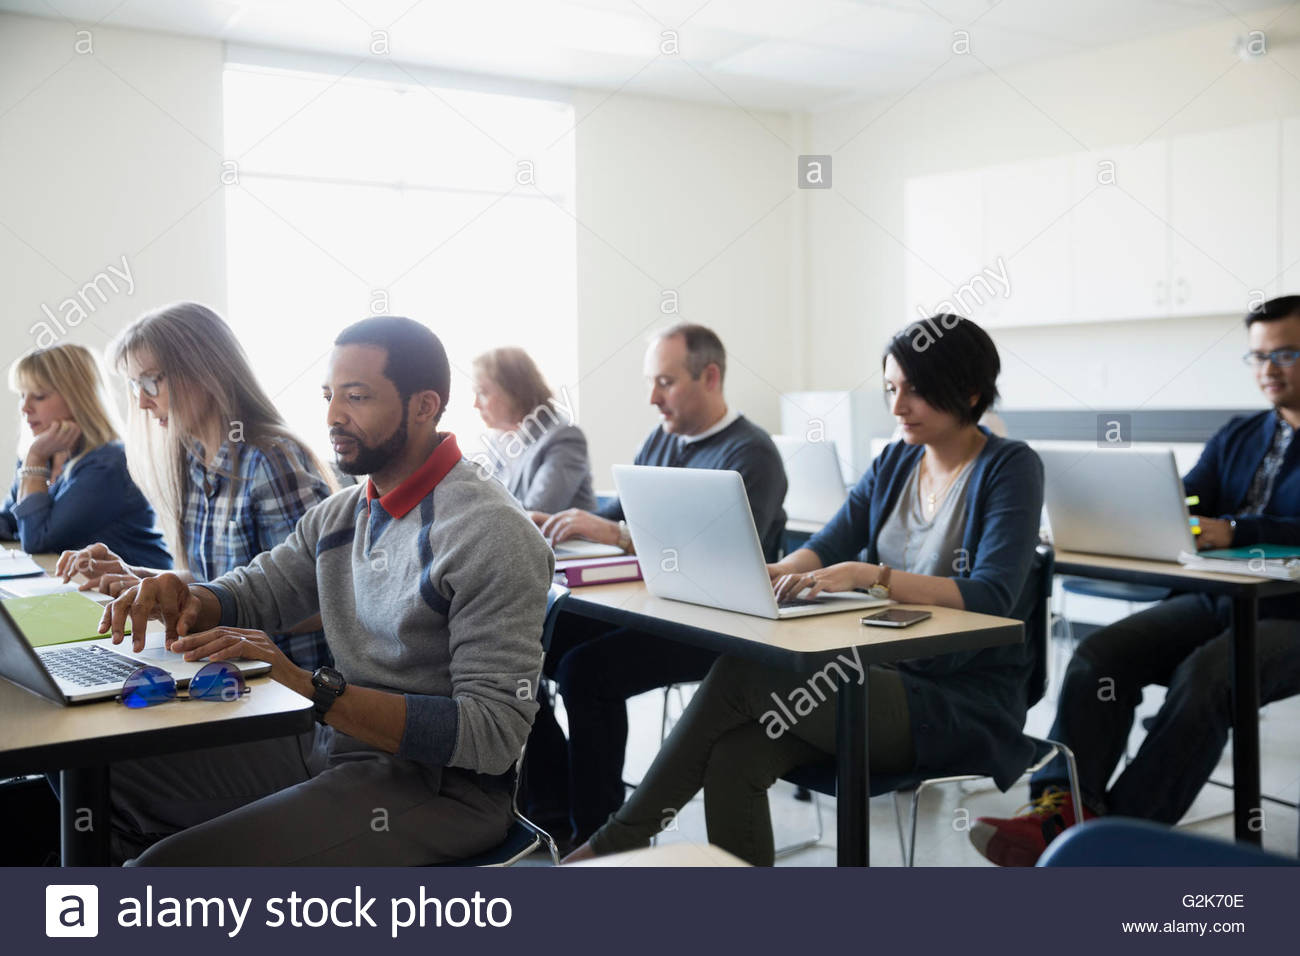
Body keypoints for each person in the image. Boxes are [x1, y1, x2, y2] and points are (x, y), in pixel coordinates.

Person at [563, 315, 1045, 866]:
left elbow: (992, 595)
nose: (897, 406)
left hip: (958, 701)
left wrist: (872, 576)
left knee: (747, 669)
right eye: (892, 389)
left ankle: (616, 841)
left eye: (915, 390)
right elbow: (829, 541)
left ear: (968, 390)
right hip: (880, 675)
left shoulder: (1010, 467)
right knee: (732, 758)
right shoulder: (896, 460)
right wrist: (767, 570)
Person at [99, 316, 554, 865]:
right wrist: (189, 598)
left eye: (357, 397)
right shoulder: (343, 513)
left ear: (425, 405)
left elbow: (493, 735)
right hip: (333, 744)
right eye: (330, 396)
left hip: (441, 789)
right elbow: (260, 588)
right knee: (98, 778)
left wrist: (313, 688)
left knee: (166, 871)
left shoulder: (490, 533)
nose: (335, 417)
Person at [971, 294, 1300, 866]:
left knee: (1210, 677)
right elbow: (1190, 498)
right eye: (1257, 357)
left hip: (1290, 613)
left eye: (1286, 354)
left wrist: (1237, 529)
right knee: (1100, 657)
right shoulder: (1240, 434)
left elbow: (1233, 526)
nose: (1268, 370)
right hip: (1218, 598)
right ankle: (1058, 816)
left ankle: (1112, 845)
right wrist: (1162, 509)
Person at [523, 323, 789, 849]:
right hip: (654, 609)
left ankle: (596, 834)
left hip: (718, 626)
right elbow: (616, 515)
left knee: (585, 672)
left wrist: (615, 533)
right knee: (518, 644)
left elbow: (723, 560)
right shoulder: (662, 439)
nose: (652, 397)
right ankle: (549, 812)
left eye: (665, 382)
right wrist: (555, 520)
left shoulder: (751, 454)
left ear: (709, 377)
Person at [54, 302, 335, 670]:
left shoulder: (271, 459)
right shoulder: (192, 456)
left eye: (152, 380)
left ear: (206, 370)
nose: (141, 401)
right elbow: (211, 579)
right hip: (218, 670)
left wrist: (195, 605)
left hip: (281, 685)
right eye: (135, 385)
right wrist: (140, 580)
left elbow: (318, 600)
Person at [0, 344, 169, 567]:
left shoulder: (109, 464)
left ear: (77, 397)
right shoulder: (43, 455)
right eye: (23, 395)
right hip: (84, 590)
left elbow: (38, 540)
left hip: (135, 596)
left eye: (39, 396)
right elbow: (8, 523)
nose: (25, 408)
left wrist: (35, 460)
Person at [470, 346, 595, 512]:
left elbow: (536, 511)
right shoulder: (498, 440)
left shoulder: (564, 437)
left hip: (560, 538)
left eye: (483, 393)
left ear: (514, 391)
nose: (476, 404)